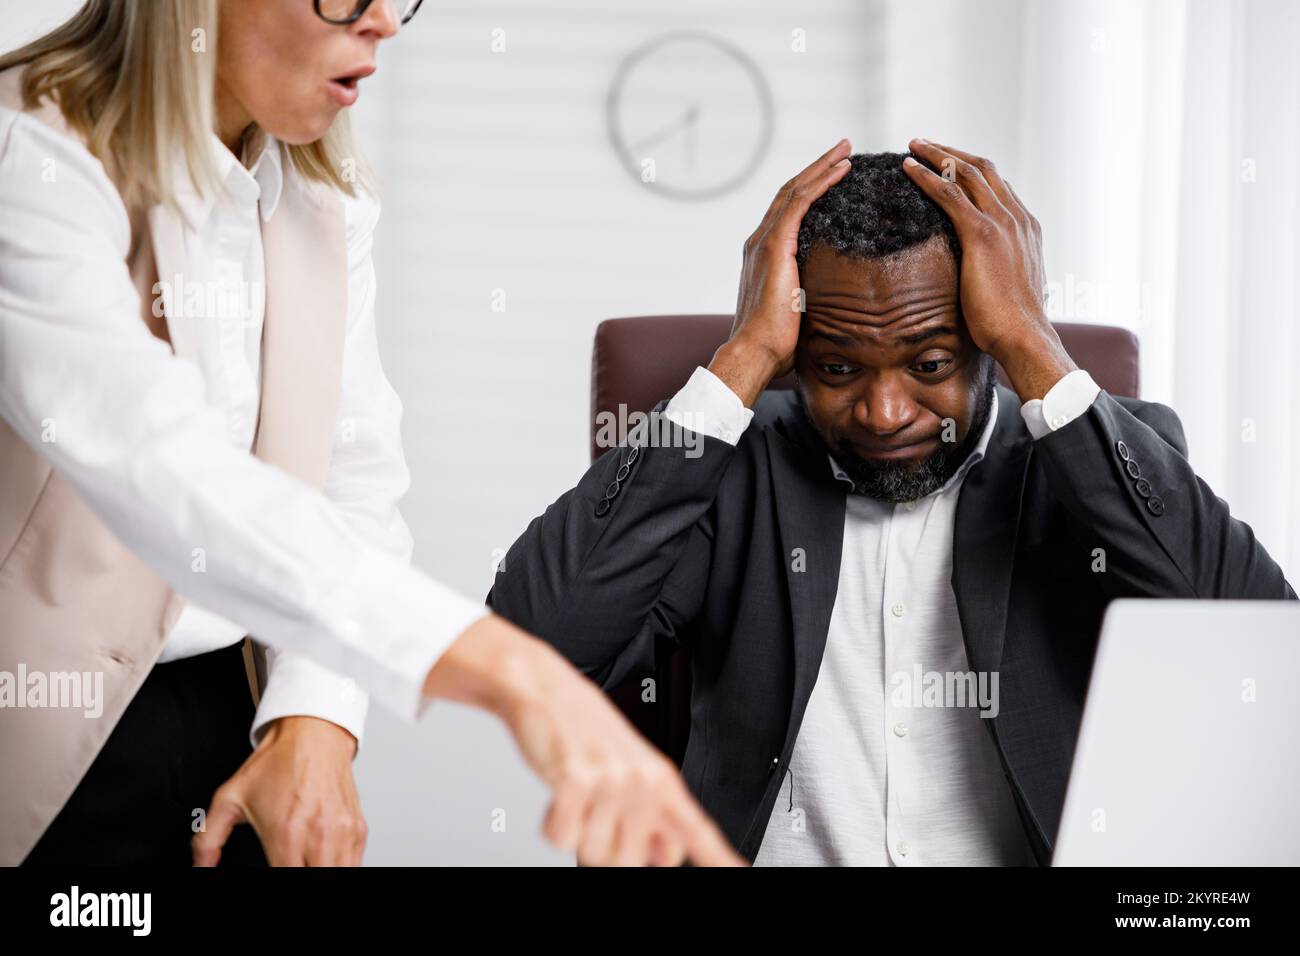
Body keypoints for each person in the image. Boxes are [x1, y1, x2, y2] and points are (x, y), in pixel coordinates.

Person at [0, 0, 740, 868]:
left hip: (227, 706)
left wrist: (315, 708)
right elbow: (158, 460)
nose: (383, 21)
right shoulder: (30, 156)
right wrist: (516, 676)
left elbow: (350, 476)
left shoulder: (321, 194)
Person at [487, 142, 1297, 865]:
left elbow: (1255, 652)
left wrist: (1034, 347)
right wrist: (739, 360)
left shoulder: (1089, 464)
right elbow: (532, 648)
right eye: (838, 369)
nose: (884, 411)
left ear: (987, 335)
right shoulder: (732, 468)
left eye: (931, 362)